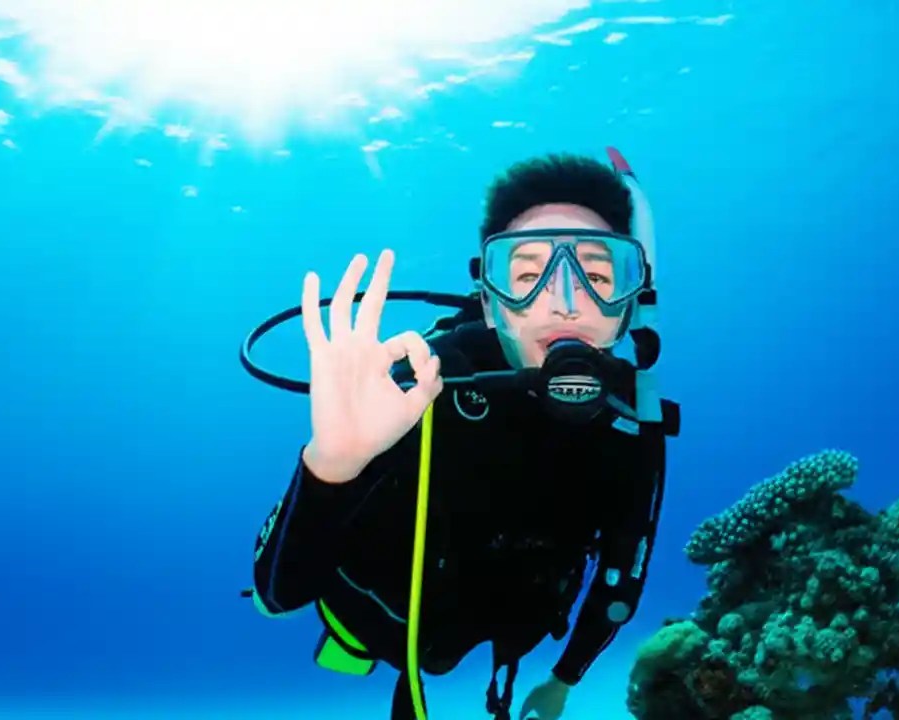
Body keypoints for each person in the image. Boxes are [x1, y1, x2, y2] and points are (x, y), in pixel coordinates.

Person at [249, 151, 680, 720]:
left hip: (493, 631)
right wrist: (332, 468)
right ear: (491, 300)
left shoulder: (628, 420)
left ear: (629, 305)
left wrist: (563, 680)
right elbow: (275, 598)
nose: (566, 302)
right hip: (379, 620)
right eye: (528, 275)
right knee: (355, 637)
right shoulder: (423, 387)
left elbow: (623, 575)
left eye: (598, 277)